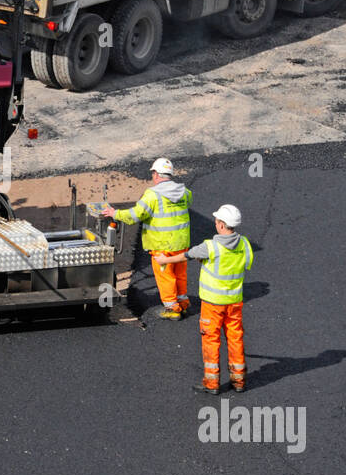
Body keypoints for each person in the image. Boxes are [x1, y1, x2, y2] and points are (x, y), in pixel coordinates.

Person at [157, 204, 254, 394]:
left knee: (211, 340)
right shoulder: (245, 244)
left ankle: (212, 384)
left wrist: (164, 260)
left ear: (221, 225)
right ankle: (239, 381)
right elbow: (244, 263)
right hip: (234, 302)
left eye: (217, 221)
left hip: (212, 304)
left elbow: (186, 255)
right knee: (235, 338)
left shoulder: (210, 246)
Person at [102, 158, 193, 320]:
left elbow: (134, 215)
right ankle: (183, 303)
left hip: (162, 245)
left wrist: (115, 214)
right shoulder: (185, 192)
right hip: (182, 243)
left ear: (157, 174)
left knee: (166, 277)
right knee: (180, 274)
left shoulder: (152, 195)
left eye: (153, 173)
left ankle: (173, 309)